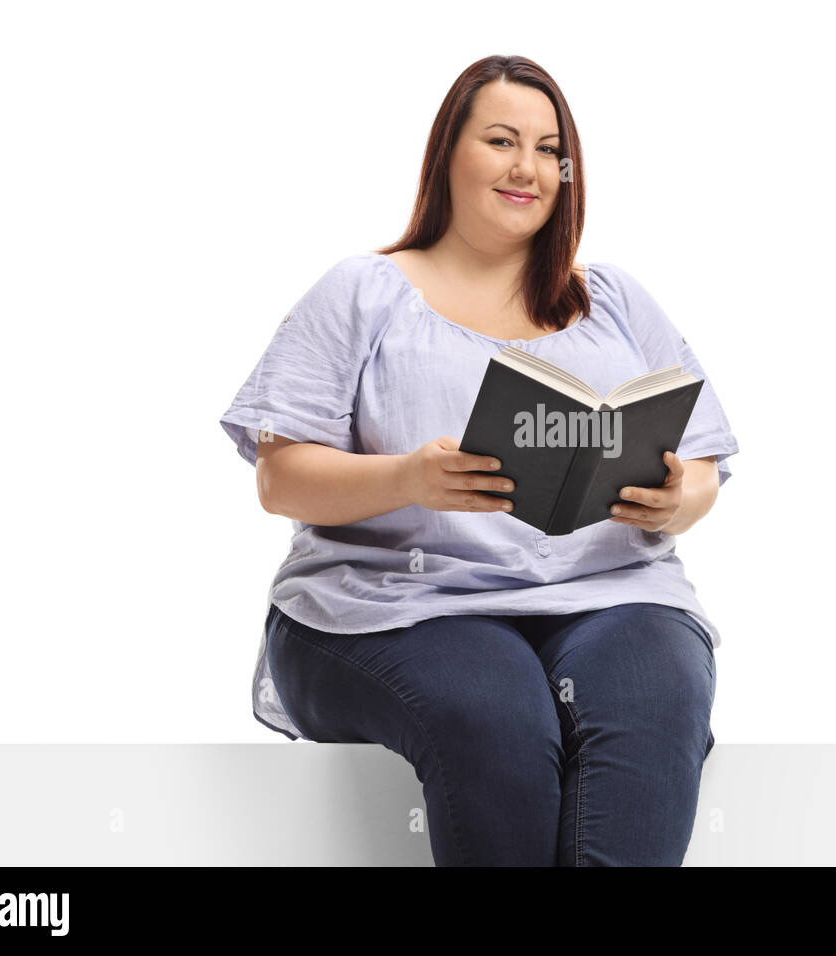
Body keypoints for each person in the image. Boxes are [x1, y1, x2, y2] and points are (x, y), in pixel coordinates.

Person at [219, 55, 740, 866]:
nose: (526, 168)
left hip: (608, 595)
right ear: (448, 156)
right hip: (398, 602)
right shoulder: (363, 291)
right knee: (498, 712)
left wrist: (680, 499)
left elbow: (704, 461)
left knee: (656, 693)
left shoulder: (616, 302)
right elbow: (279, 478)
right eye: (501, 141)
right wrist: (409, 479)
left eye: (547, 149)